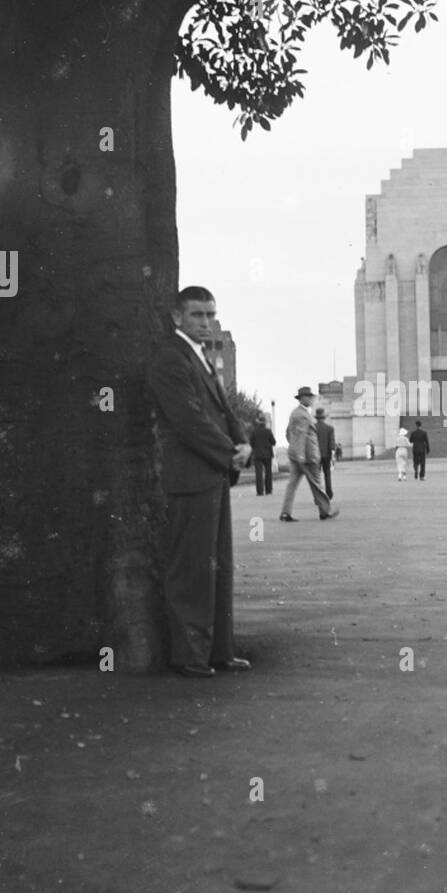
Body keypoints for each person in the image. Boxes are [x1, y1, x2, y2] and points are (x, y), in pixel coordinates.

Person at [148, 285, 253, 678]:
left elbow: (223, 410)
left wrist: (241, 443)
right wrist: (230, 452)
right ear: (177, 317)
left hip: (210, 476)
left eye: (210, 315)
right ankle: (191, 656)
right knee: (192, 570)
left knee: (218, 567)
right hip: (190, 478)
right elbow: (189, 421)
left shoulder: (201, 356)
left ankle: (219, 651)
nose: (206, 322)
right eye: (197, 315)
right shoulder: (169, 359)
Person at [280, 387, 339, 522]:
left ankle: (285, 512)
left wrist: (293, 447)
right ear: (302, 399)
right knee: (317, 484)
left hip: (296, 455)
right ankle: (325, 511)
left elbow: (288, 433)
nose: (311, 399)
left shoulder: (294, 413)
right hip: (307, 457)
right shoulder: (302, 415)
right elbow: (301, 435)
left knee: (292, 485)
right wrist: (301, 454)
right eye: (309, 397)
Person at [250, 412, 276, 496]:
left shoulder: (254, 432)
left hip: (257, 454)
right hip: (268, 454)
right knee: (268, 472)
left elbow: (251, 443)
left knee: (259, 473)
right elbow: (273, 442)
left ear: (258, 422)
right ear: (265, 422)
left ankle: (260, 491)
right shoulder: (268, 431)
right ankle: (268, 490)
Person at [314, 407, 337, 500]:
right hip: (326, 455)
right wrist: (333, 455)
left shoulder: (313, 427)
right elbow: (332, 443)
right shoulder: (329, 428)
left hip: (315, 455)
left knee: (317, 476)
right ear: (324, 417)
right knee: (327, 475)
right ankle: (329, 494)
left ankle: (318, 495)